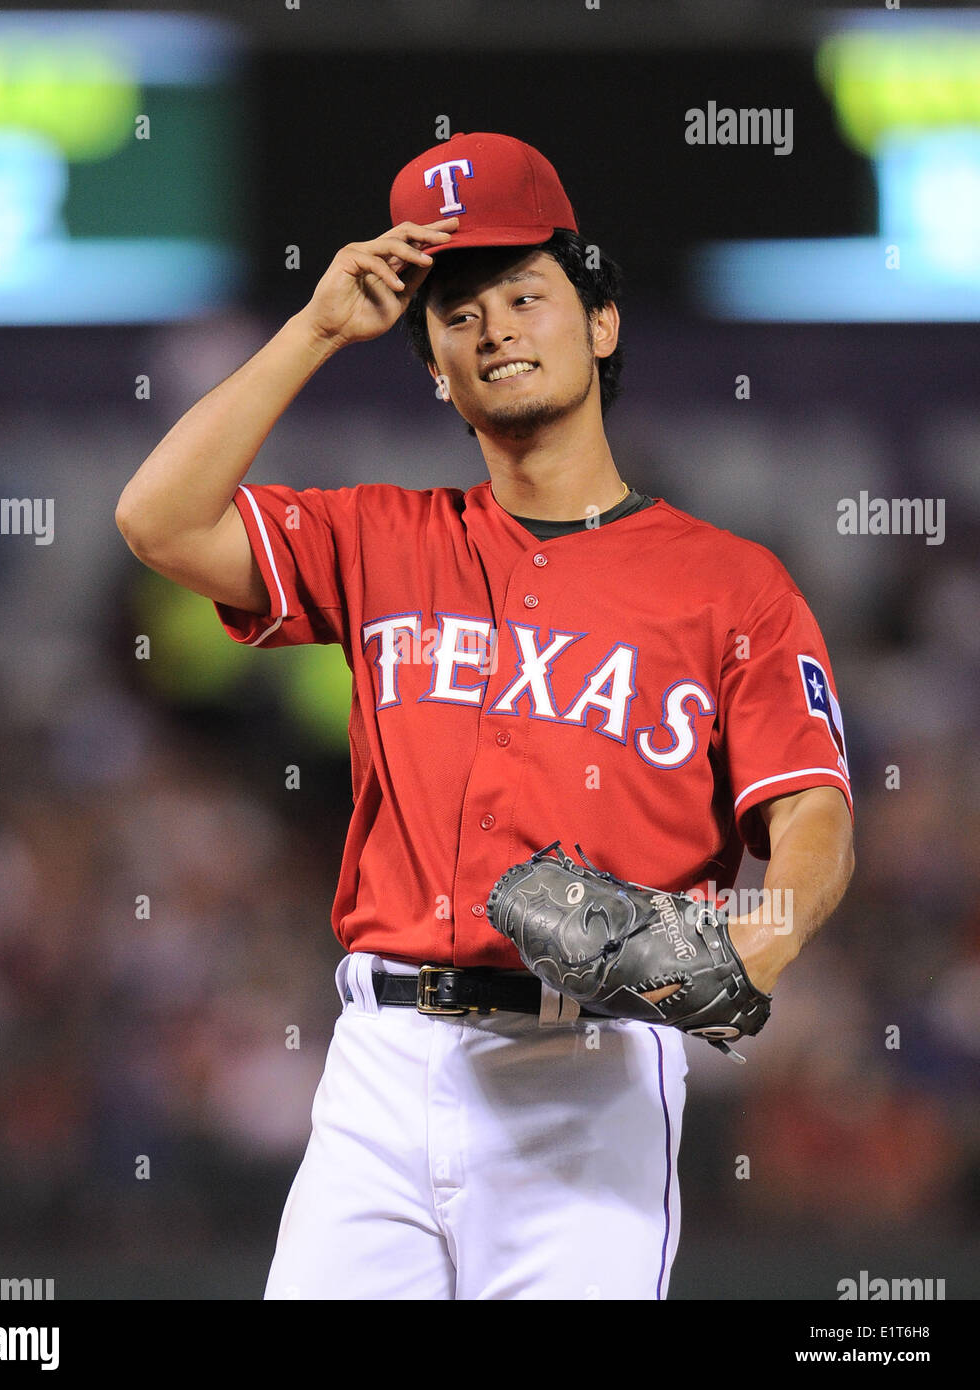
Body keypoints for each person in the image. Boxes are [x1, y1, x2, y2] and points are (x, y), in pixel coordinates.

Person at [115, 131, 855, 1300]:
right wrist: (314, 328)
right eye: (457, 315)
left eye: (526, 293)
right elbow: (158, 520)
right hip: (379, 1061)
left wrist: (757, 941)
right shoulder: (379, 537)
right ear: (435, 371)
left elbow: (811, 811)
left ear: (601, 323)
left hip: (590, 1070)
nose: (495, 327)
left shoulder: (730, 583)